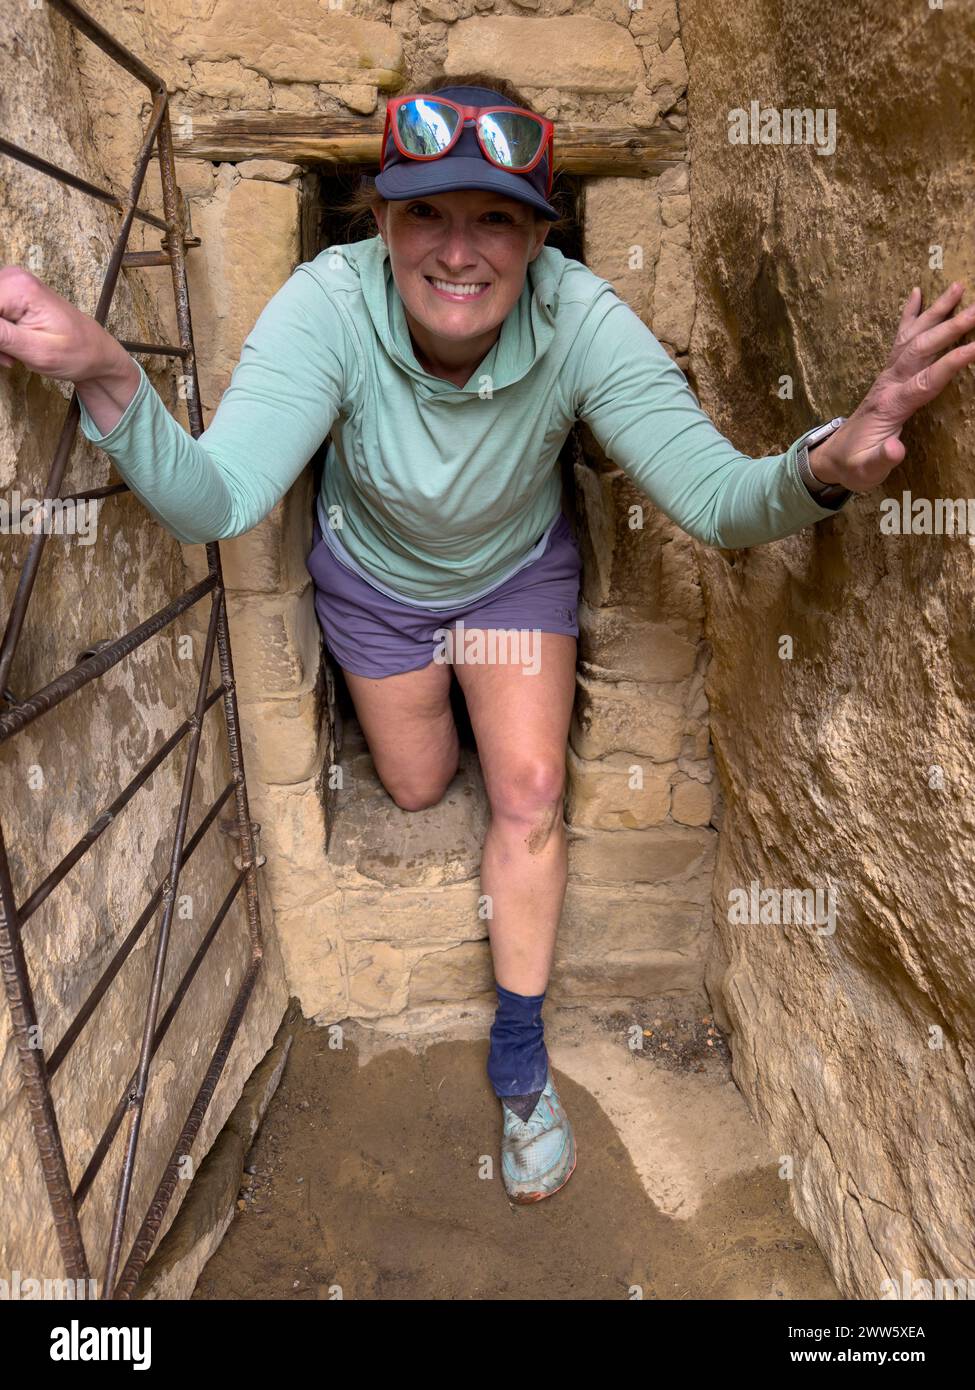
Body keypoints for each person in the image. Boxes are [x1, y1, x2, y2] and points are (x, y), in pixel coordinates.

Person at [2, 75, 974, 1206]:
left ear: (538, 237)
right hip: (374, 584)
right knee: (417, 788)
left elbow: (713, 499)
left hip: (515, 574)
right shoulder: (330, 306)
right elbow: (220, 500)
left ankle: (520, 1055)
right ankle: (439, 697)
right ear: (381, 218)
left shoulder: (577, 317)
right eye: (427, 213)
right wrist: (111, 375)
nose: (458, 251)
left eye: (496, 219)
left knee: (527, 785)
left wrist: (832, 460)